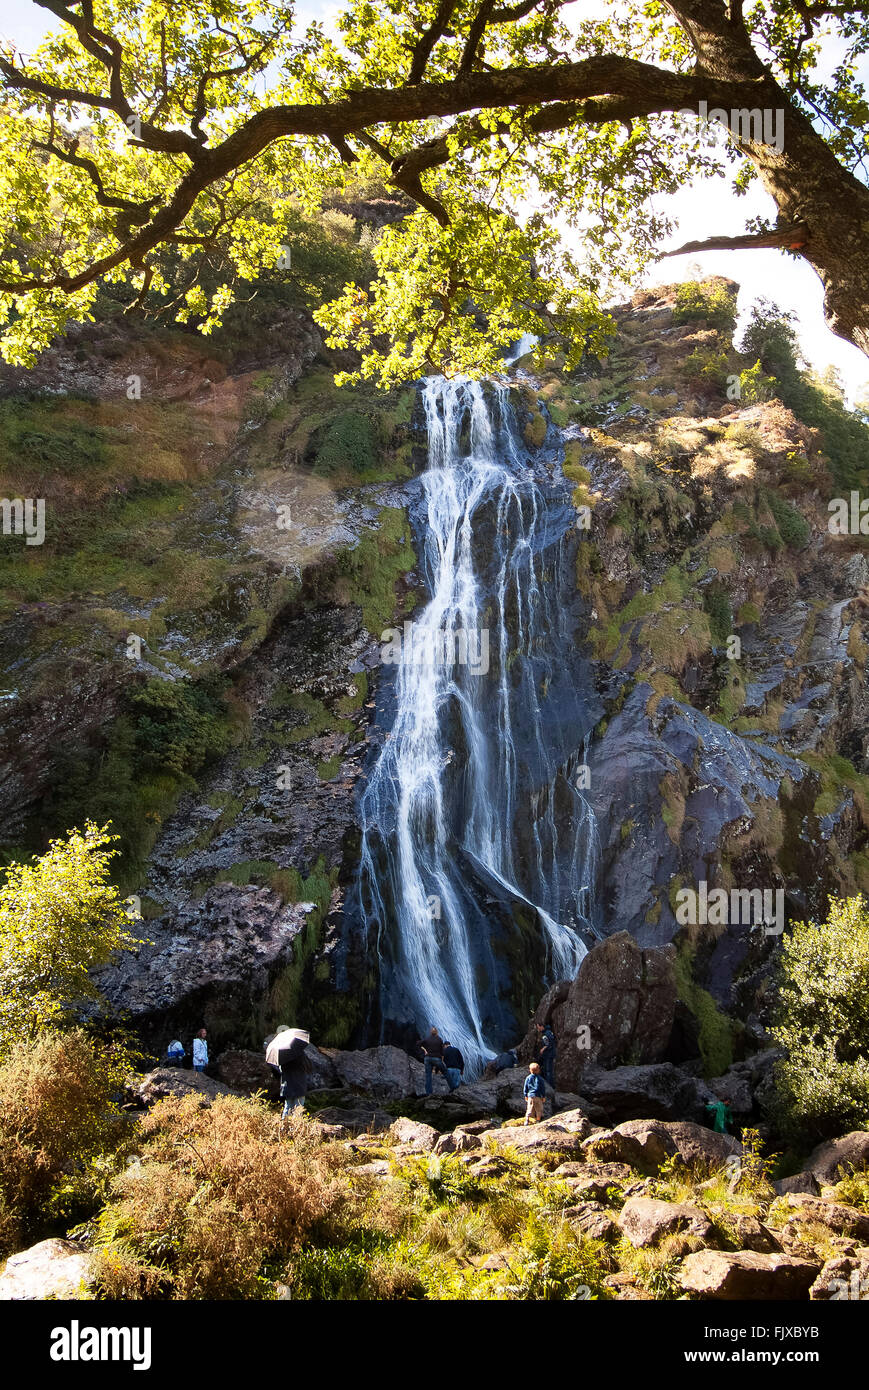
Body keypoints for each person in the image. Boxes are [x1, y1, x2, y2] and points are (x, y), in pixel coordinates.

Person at [266, 1025, 311, 1129]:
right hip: (299, 1087)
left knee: (287, 1109)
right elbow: (309, 1067)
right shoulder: (300, 1056)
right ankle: (295, 1130)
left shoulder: (281, 1058)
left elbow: (280, 1071)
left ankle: (283, 1129)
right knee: (298, 1110)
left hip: (287, 1087)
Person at [418, 1027, 447, 1096]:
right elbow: (442, 1052)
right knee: (445, 1072)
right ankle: (452, 1086)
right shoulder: (439, 1039)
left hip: (428, 1058)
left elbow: (419, 1044)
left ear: (431, 1032)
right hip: (436, 1058)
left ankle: (429, 1092)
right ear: (436, 1032)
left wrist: (424, 1050)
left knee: (428, 1075)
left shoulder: (427, 1039)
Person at [536, 1022, 557, 1087]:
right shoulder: (549, 1032)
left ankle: (549, 1086)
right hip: (549, 1054)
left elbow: (548, 1044)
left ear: (541, 1026)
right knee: (547, 1070)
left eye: (538, 1027)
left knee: (548, 1071)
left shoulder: (546, 1033)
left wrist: (543, 1049)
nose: (538, 1029)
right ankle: (551, 1085)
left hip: (549, 1055)